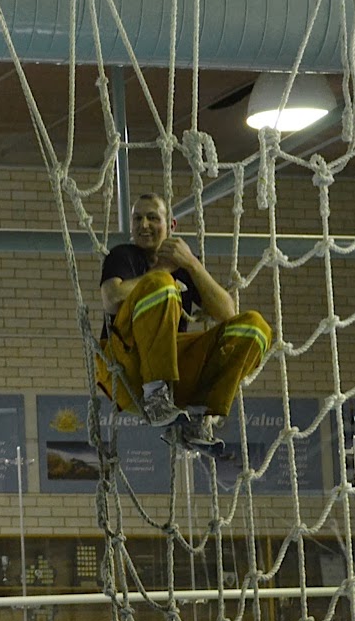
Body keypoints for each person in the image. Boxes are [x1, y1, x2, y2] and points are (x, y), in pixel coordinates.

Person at [96, 193, 272, 455]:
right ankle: (155, 395)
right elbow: (112, 299)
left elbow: (228, 313)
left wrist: (191, 264)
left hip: (174, 374)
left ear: (171, 225)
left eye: (152, 218)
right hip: (126, 369)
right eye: (137, 219)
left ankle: (198, 416)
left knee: (255, 327)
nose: (144, 225)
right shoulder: (123, 255)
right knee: (160, 285)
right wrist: (162, 271)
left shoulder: (185, 265)